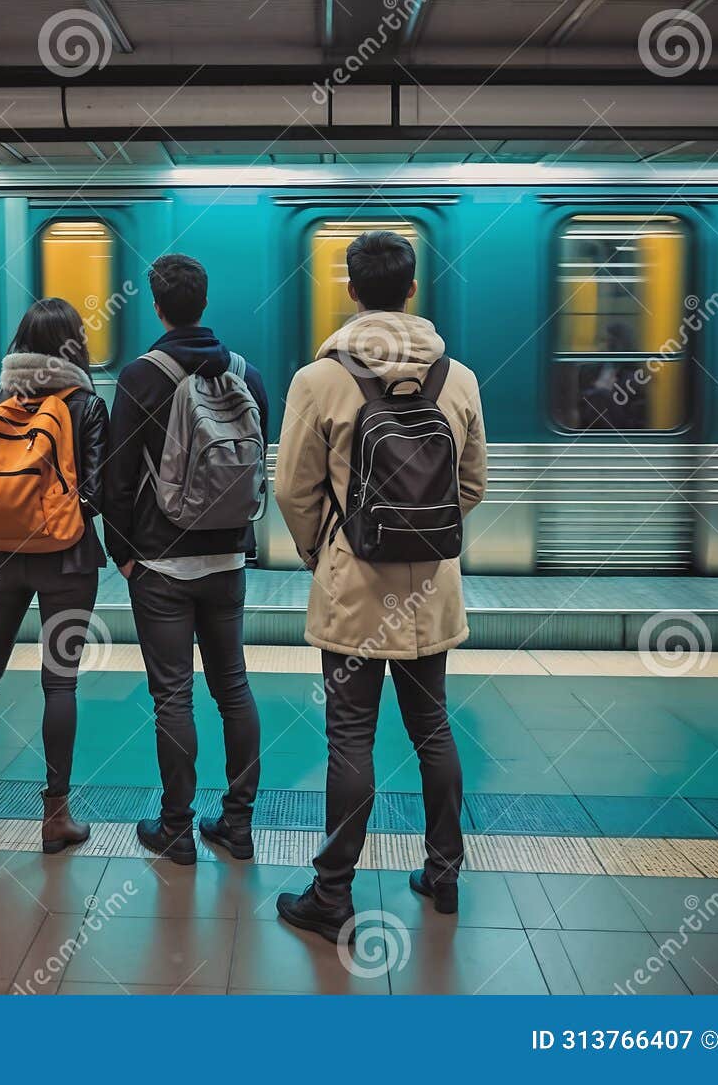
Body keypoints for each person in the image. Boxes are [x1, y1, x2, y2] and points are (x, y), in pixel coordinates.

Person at [272, 230, 486, 940]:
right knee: (431, 728)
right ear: (413, 291)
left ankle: (333, 894)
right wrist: (424, 531)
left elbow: (293, 489)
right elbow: (472, 487)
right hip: (431, 589)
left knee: (350, 739)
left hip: (353, 590)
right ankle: (444, 873)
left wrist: (322, 552)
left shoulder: (319, 378)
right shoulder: (458, 378)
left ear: (353, 293)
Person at [103, 253, 267, 865]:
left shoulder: (141, 376)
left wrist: (122, 555)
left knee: (173, 695)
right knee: (234, 688)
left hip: (161, 566)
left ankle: (177, 829)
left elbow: (116, 478)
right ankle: (239, 823)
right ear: (204, 302)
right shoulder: (249, 376)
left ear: (158, 306)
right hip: (227, 559)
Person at [0, 297, 108, 853]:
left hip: (0, 555)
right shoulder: (85, 402)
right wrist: (61, 517)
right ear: (74, 345)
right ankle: (56, 817)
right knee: (59, 682)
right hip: (67, 559)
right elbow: (97, 492)